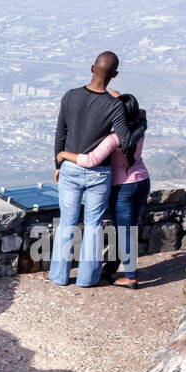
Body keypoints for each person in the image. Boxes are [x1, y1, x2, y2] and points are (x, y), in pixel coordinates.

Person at [50, 52, 137, 287]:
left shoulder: (70, 96)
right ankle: (87, 279)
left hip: (70, 167)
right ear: (115, 75)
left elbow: (61, 132)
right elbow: (127, 140)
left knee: (67, 222)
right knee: (93, 225)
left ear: (92, 68)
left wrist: (59, 164)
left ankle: (59, 276)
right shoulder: (114, 105)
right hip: (99, 172)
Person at [56, 92, 150, 288]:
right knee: (127, 228)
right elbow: (142, 112)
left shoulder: (114, 139)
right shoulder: (141, 128)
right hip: (142, 181)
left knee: (124, 231)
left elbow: (91, 160)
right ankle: (111, 267)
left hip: (123, 186)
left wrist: (64, 154)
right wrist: (118, 98)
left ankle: (131, 276)